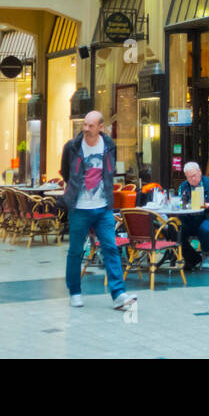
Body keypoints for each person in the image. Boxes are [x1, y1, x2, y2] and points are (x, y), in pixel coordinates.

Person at [61, 111, 136, 311]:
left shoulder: (109, 146)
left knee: (111, 248)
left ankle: (118, 294)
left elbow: (109, 172)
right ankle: (75, 292)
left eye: (90, 125)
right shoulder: (72, 146)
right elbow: (66, 172)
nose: (86, 128)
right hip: (79, 208)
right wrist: (76, 190)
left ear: (101, 127)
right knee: (75, 251)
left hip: (103, 208)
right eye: (85, 124)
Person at [176, 162, 209, 271]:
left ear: (200, 172)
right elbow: (181, 203)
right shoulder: (183, 186)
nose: (192, 179)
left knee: (205, 229)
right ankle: (192, 257)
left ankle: (207, 256)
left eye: (194, 175)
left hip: (208, 217)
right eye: (189, 177)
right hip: (190, 218)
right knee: (175, 230)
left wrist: (208, 205)